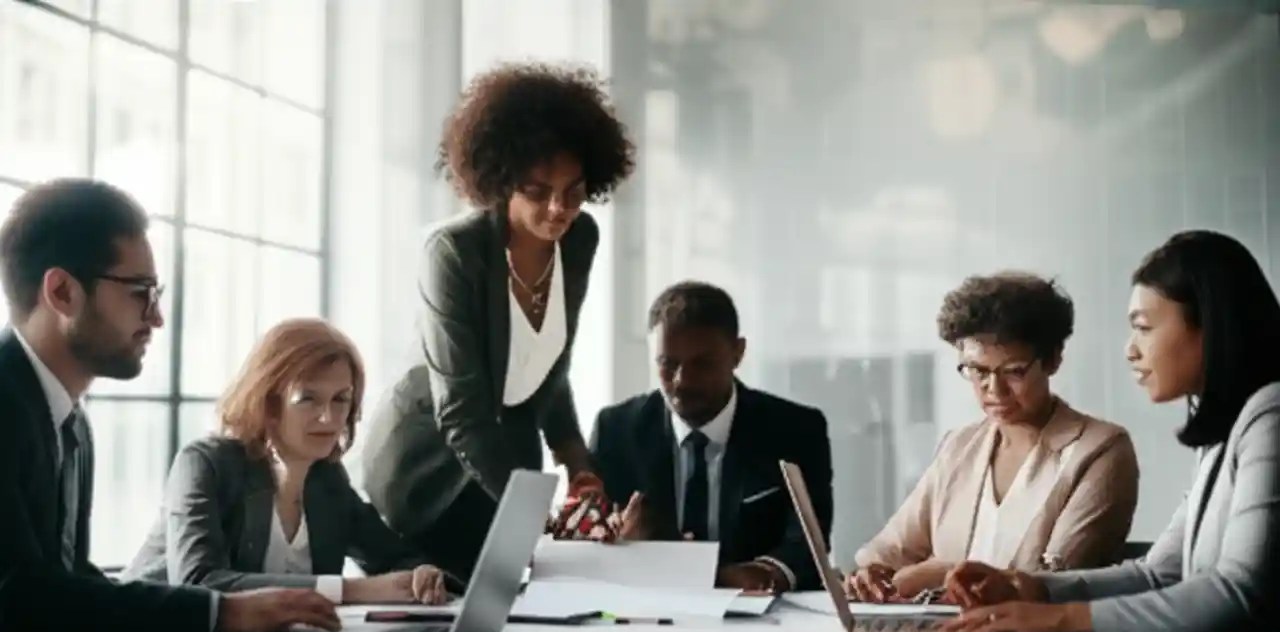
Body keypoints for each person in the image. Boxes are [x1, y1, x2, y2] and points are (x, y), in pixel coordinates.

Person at [0, 179, 339, 632]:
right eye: (140, 292)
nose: (157, 318)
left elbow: (69, 579)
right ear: (62, 292)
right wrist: (223, 613)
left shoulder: (70, 422)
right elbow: (17, 598)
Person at [941, 233, 1280, 632]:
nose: (1130, 348)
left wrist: (1061, 619)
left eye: (1143, 326)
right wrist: (1034, 589)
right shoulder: (1225, 431)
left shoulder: (1271, 414)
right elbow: (1161, 574)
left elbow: (1240, 593)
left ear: (1210, 326)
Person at [360, 62, 635, 580]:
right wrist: (534, 513)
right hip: (426, 470)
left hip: (504, 457)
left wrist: (577, 462)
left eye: (574, 190)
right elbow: (462, 413)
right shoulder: (453, 253)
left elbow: (547, 361)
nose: (559, 208)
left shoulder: (579, 240)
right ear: (501, 181)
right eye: (536, 190)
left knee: (511, 611)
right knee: (443, 610)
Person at [846, 272, 1139, 602]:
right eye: (978, 371)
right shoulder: (960, 446)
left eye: (1014, 371)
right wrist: (871, 573)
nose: (994, 390)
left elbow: (1055, 581)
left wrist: (934, 572)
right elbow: (889, 550)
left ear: (1053, 359)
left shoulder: (1101, 449)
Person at [124, 319, 448, 605]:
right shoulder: (205, 465)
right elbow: (199, 582)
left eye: (341, 399)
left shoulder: (327, 481)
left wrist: (422, 575)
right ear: (268, 402)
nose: (329, 417)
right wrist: (350, 591)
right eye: (308, 398)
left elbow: (396, 557)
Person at [552, 281, 834, 592]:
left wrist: (759, 574)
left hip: (762, 621)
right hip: (646, 617)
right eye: (667, 364)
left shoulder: (795, 429)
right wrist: (620, 542)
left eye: (702, 364)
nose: (682, 381)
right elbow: (589, 544)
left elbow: (808, 546)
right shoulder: (617, 429)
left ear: (738, 353)